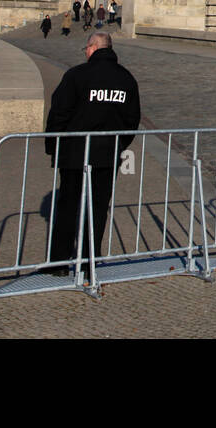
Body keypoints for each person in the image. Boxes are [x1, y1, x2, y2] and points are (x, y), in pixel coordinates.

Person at [44, 31, 141, 275]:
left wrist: (53, 146)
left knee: (68, 206)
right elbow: (132, 120)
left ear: (93, 47)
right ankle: (90, 263)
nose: (85, 52)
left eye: (86, 48)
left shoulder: (77, 75)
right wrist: (119, 145)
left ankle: (58, 263)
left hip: (74, 153)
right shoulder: (126, 79)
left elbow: (59, 114)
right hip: (108, 154)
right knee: (98, 208)